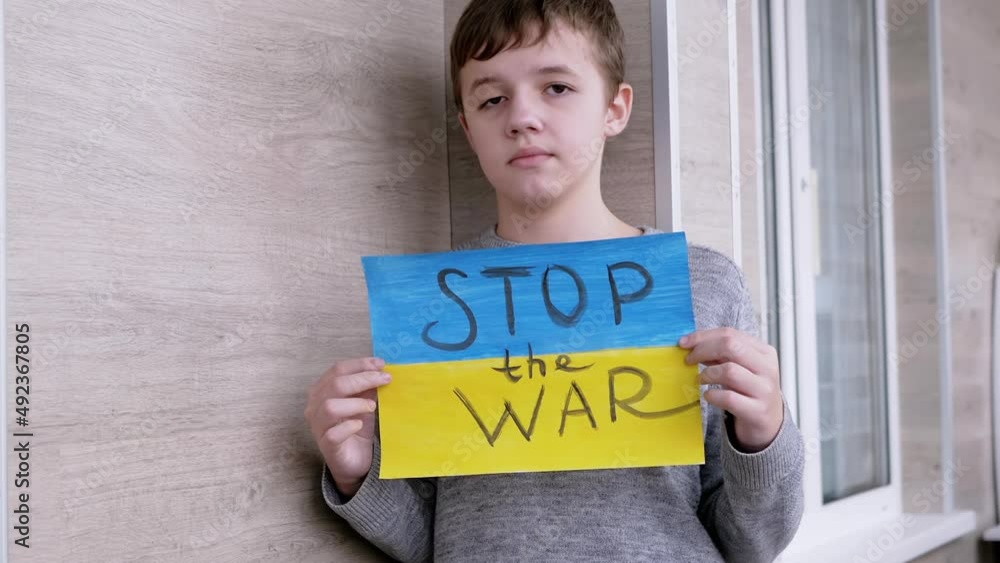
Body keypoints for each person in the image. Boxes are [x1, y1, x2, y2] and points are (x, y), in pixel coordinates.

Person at [304, 1, 805, 561]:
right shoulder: (438, 304)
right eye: (492, 98)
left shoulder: (703, 283)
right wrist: (357, 475)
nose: (521, 117)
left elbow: (751, 543)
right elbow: (429, 540)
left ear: (615, 109)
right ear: (469, 129)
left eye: (557, 88)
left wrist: (763, 436)